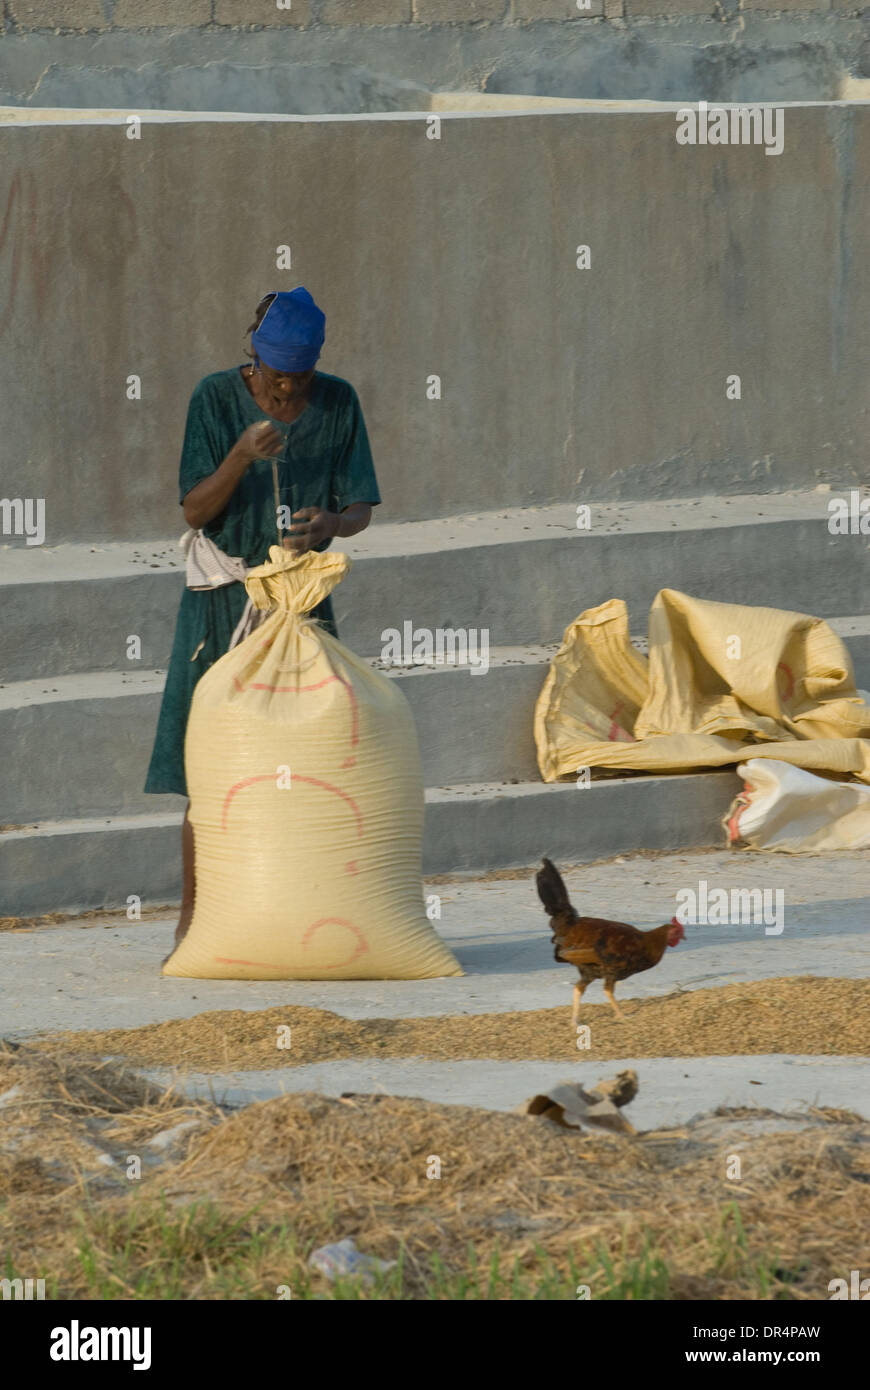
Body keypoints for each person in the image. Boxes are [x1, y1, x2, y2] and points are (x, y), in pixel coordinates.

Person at [144, 287, 380, 950]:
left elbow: (359, 506)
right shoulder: (213, 401)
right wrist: (241, 456)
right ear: (254, 356)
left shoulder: (338, 404)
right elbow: (194, 511)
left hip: (300, 606)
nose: (286, 392)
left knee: (310, 764)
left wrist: (332, 524)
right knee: (212, 764)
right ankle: (194, 924)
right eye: (277, 378)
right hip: (221, 608)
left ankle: (304, 923)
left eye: (299, 380)